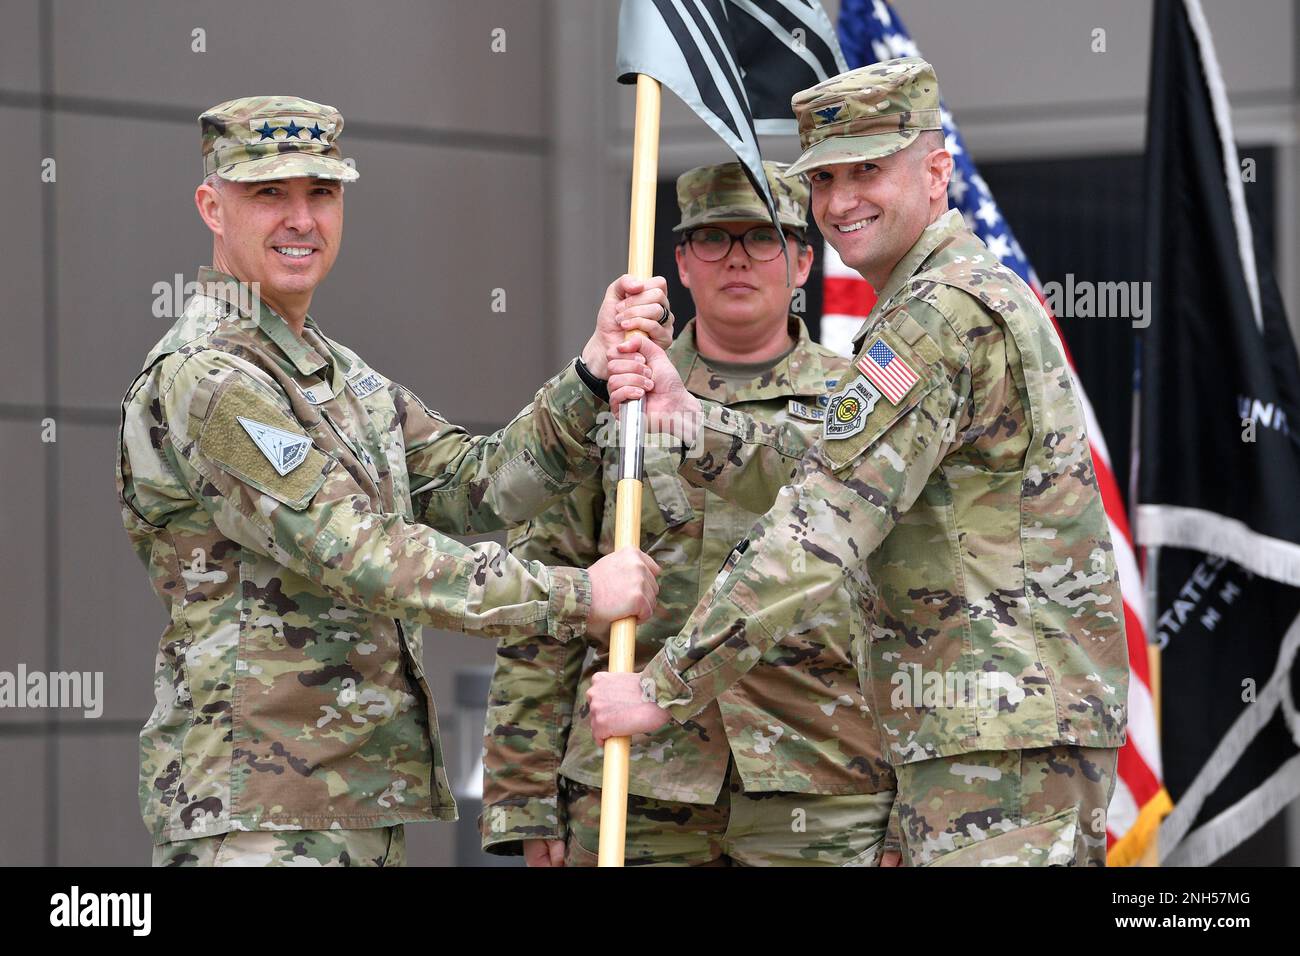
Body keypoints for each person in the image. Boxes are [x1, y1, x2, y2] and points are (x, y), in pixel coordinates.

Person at [591, 58, 1130, 866]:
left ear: (937, 170)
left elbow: (820, 526)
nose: (841, 202)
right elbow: (850, 465)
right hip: (999, 731)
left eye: (870, 170)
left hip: (993, 741)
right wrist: (694, 420)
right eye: (826, 178)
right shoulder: (965, 293)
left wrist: (661, 689)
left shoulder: (934, 317)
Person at [116, 95, 668, 866]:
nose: (301, 218)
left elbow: (475, 485)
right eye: (269, 193)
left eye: (322, 192)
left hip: (349, 801)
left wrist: (589, 374)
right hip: (256, 814)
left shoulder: (335, 374)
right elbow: (361, 552)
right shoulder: (210, 379)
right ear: (213, 206)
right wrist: (576, 597)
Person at [480, 162, 896, 867]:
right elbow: (543, 600)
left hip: (826, 786)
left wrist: (914, 810)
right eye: (713, 238)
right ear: (680, 262)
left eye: (762, 238)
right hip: (634, 786)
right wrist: (520, 794)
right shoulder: (615, 396)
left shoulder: (864, 405)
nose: (737, 258)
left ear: (802, 260)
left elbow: (915, 611)